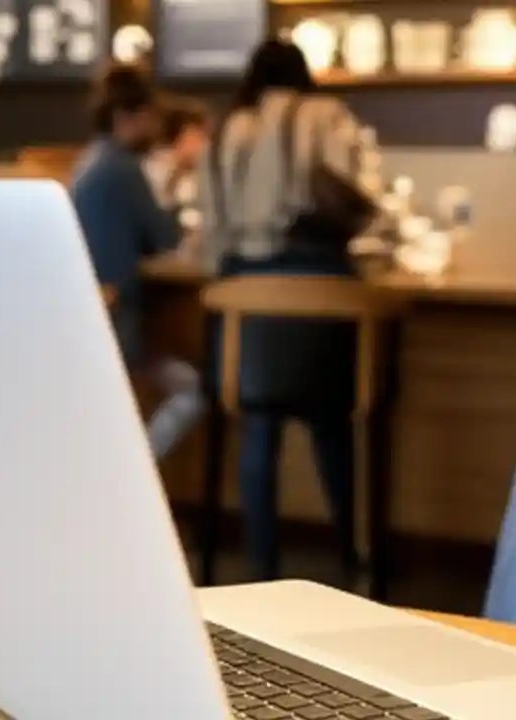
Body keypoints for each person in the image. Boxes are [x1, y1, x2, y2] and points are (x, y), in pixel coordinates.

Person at [199, 39, 371, 580]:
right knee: (330, 423)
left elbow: (209, 231)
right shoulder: (327, 115)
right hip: (317, 278)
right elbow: (362, 193)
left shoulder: (227, 124)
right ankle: (351, 555)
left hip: (241, 288)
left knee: (259, 424)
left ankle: (259, 566)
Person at [71, 64, 201, 460]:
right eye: (150, 117)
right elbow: (166, 238)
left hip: (91, 328)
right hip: (116, 329)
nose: (155, 127)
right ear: (128, 116)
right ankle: (135, 473)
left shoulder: (92, 163)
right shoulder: (122, 169)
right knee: (193, 390)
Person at [143, 97, 211, 210]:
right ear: (181, 136)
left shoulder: (201, 173)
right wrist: (177, 170)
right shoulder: (153, 168)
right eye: (199, 136)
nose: (206, 143)